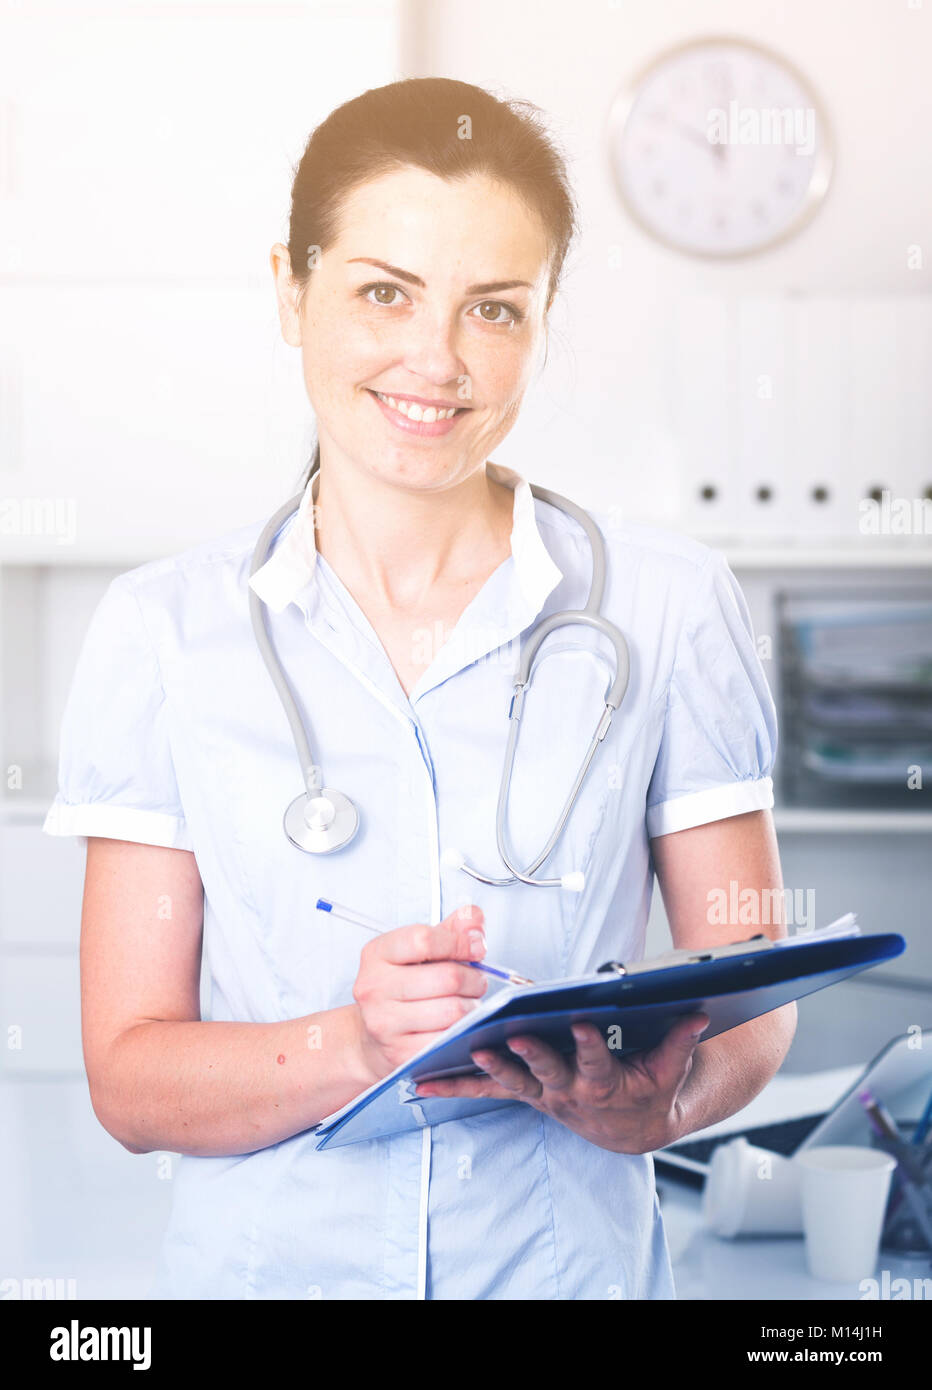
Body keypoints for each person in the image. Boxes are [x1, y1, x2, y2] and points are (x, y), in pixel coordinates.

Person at [43, 77, 795, 1300]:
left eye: (493, 310)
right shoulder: (160, 630)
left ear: (545, 320)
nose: (435, 360)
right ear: (292, 288)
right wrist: (355, 1042)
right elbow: (131, 1082)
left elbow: (753, 994)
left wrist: (655, 1107)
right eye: (382, 291)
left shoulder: (667, 604)